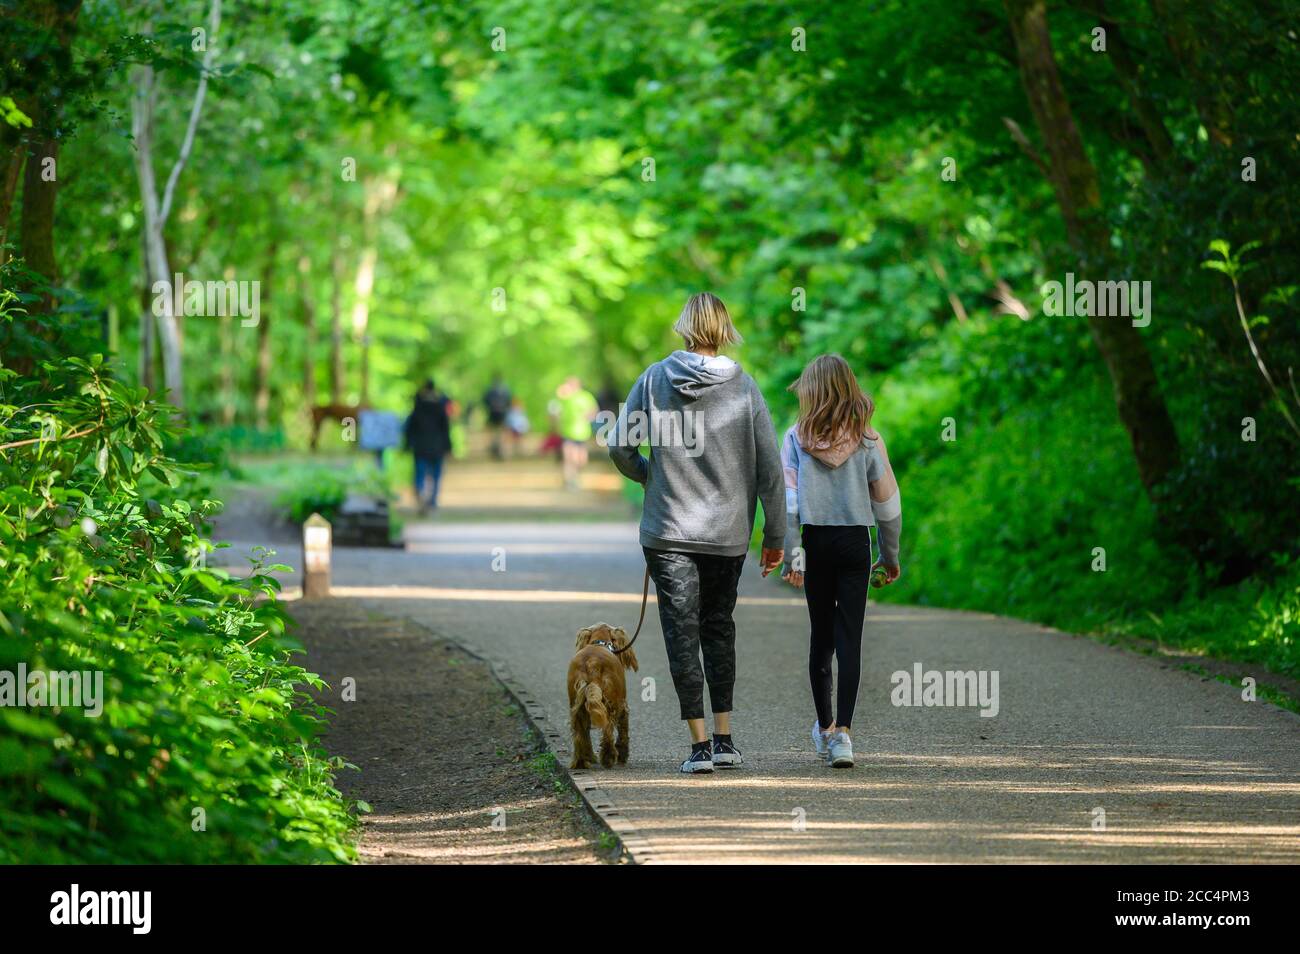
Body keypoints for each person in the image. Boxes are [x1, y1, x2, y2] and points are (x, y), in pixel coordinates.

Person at [608, 292, 785, 774]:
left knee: (680, 633)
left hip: (668, 531)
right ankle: (727, 739)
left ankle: (699, 746)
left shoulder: (653, 380)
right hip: (727, 533)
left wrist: (652, 476)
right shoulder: (745, 388)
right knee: (718, 627)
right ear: (725, 329)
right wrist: (776, 536)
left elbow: (620, 447)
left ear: (684, 327)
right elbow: (770, 468)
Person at [780, 354, 902, 769]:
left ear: (811, 391)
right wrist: (890, 555)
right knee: (850, 638)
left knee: (821, 637)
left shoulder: (796, 438)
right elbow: (887, 504)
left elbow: (789, 504)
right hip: (855, 543)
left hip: (816, 542)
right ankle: (844, 736)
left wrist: (793, 555)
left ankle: (824, 727)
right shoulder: (869, 439)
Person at [404, 378, 453, 512]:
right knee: (436, 474)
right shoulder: (440, 405)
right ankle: (432, 500)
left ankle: (420, 492)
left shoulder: (418, 407)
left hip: (420, 446)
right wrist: (448, 446)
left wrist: (407, 444)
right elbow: (445, 428)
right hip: (437, 446)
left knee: (420, 472)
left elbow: (410, 428)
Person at [554, 376, 598, 489]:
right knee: (569, 457)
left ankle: (575, 477)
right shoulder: (566, 396)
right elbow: (558, 396)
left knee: (581, 460)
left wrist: (588, 416)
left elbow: (594, 410)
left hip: (582, 433)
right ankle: (569, 480)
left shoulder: (586, 396)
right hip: (567, 432)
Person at [483, 375, 512, 459]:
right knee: (501, 431)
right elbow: (508, 401)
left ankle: (495, 447)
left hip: (493, 413)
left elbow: (485, 400)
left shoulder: (490, 390)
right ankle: (499, 448)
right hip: (501, 413)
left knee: (494, 431)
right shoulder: (505, 391)